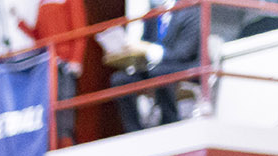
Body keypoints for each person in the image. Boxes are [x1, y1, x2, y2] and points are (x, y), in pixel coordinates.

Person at [110, 0, 203, 133]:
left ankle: (169, 122)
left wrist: (149, 50)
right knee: (120, 79)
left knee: (159, 72)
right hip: (156, 67)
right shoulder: (152, 16)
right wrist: (128, 52)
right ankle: (133, 130)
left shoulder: (190, 11)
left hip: (185, 66)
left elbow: (184, 54)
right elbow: (145, 46)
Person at [14, 0, 91, 143]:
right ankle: (52, 142)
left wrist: (76, 59)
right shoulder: (42, 3)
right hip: (48, 63)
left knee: (64, 105)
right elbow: (40, 36)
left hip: (65, 63)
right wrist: (21, 24)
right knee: (49, 107)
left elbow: (79, 28)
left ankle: (66, 142)